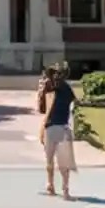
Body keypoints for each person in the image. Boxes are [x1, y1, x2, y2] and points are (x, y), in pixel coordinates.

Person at [37, 64, 77, 200]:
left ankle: (50, 185)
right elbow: (73, 106)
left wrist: (42, 89)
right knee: (63, 162)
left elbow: (42, 109)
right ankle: (65, 190)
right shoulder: (66, 88)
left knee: (49, 160)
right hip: (62, 127)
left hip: (50, 126)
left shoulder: (49, 87)